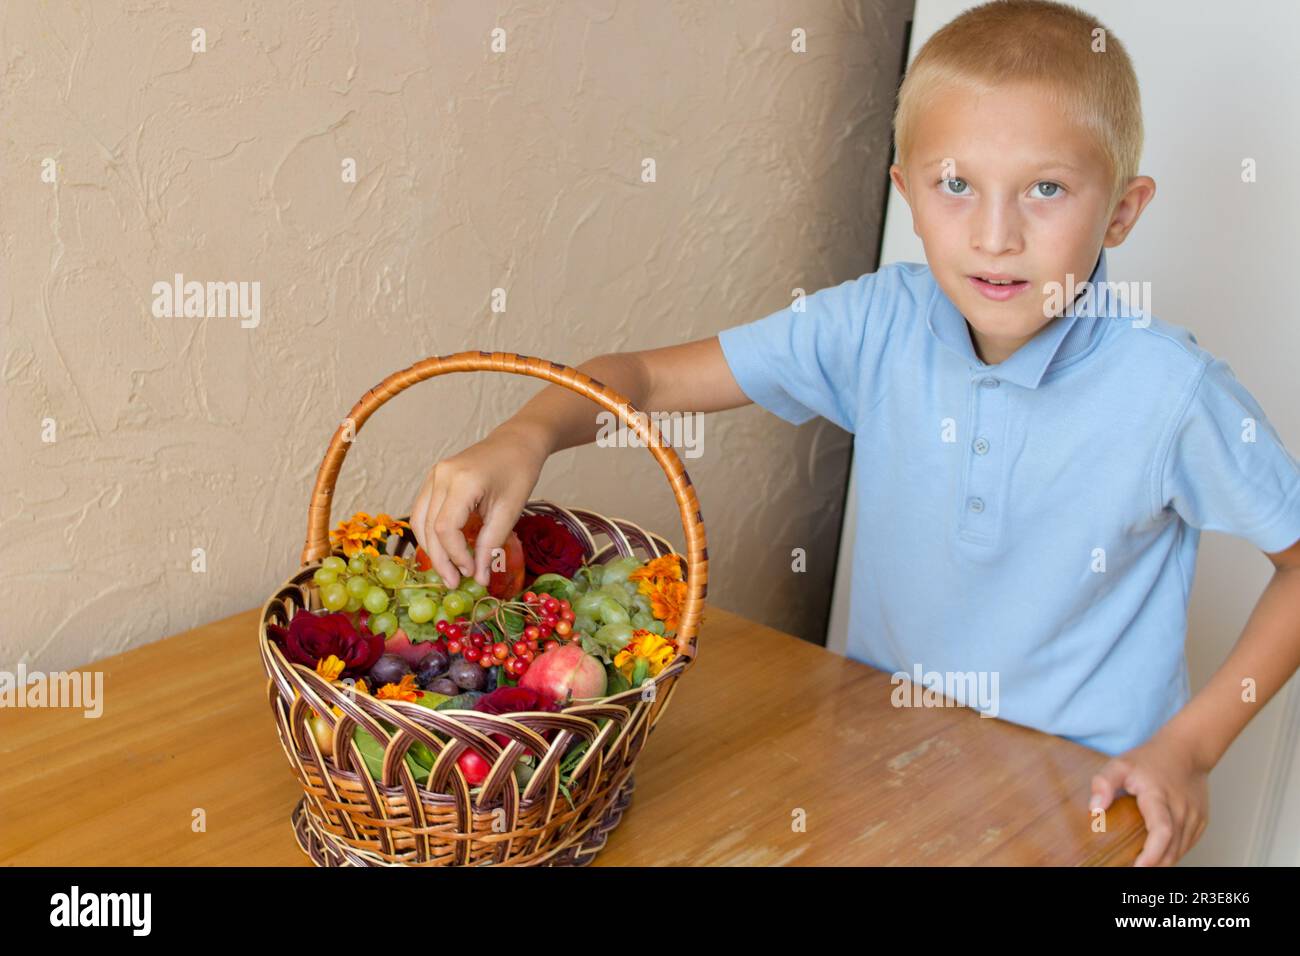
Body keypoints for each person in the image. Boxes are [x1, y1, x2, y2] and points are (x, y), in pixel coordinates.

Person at [410, 0, 1300, 866]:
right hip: (886, 766)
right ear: (907, 194)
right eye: (956, 186)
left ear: (1122, 211)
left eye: (1046, 189)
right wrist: (529, 431)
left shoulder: (1172, 391)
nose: (996, 236)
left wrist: (1191, 747)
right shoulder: (877, 322)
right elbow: (643, 378)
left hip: (1090, 808)